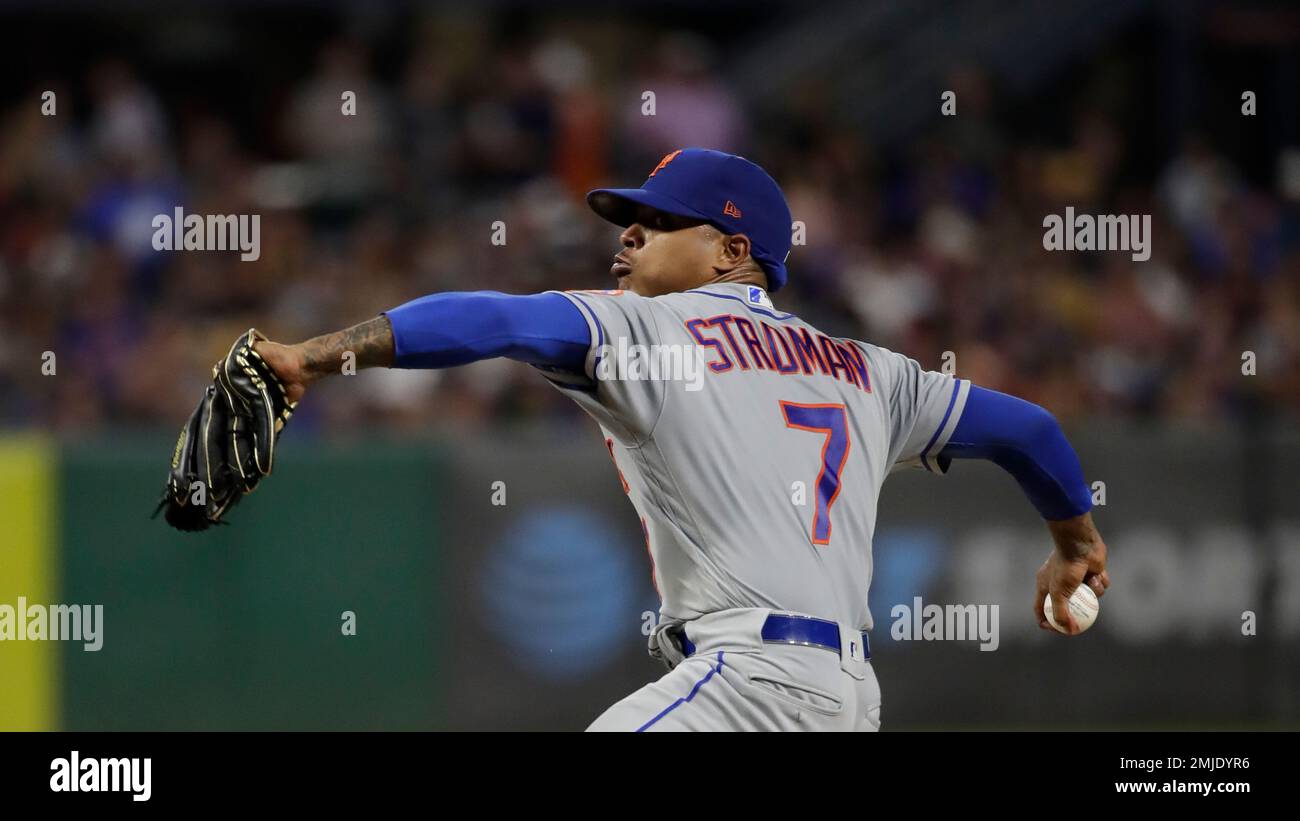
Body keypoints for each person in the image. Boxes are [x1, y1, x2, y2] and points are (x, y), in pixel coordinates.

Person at [252, 148, 1111, 731]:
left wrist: (315, 357)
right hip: (849, 700)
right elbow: (1028, 430)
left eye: (659, 223)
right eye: (631, 219)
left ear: (732, 251)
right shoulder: (871, 371)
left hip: (750, 687)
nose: (629, 234)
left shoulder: (649, 332)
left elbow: (488, 318)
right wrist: (1075, 537)